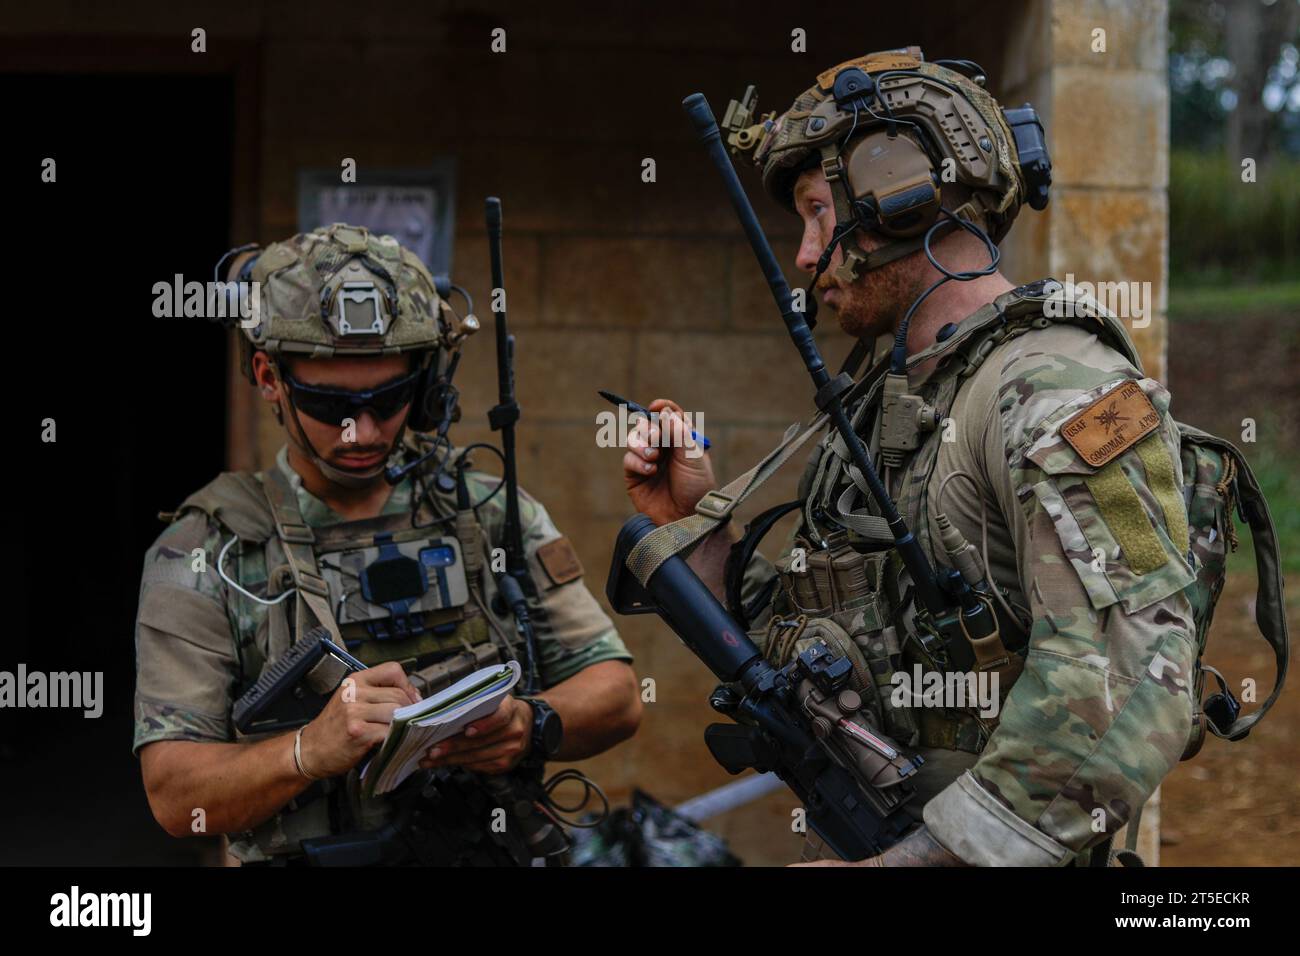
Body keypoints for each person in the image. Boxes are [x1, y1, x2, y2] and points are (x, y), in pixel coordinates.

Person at [621, 49, 1198, 866]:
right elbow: (820, 652)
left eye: (819, 214)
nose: (805, 257)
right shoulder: (891, 401)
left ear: (898, 193)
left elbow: (1132, 683)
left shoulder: (1064, 392)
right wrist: (695, 525)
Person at [135, 222, 641, 865]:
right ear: (269, 377)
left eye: (390, 396)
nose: (362, 431)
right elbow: (175, 796)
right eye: (330, 402)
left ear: (425, 385)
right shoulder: (209, 550)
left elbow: (619, 696)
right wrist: (307, 752)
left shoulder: (483, 511)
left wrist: (530, 724)